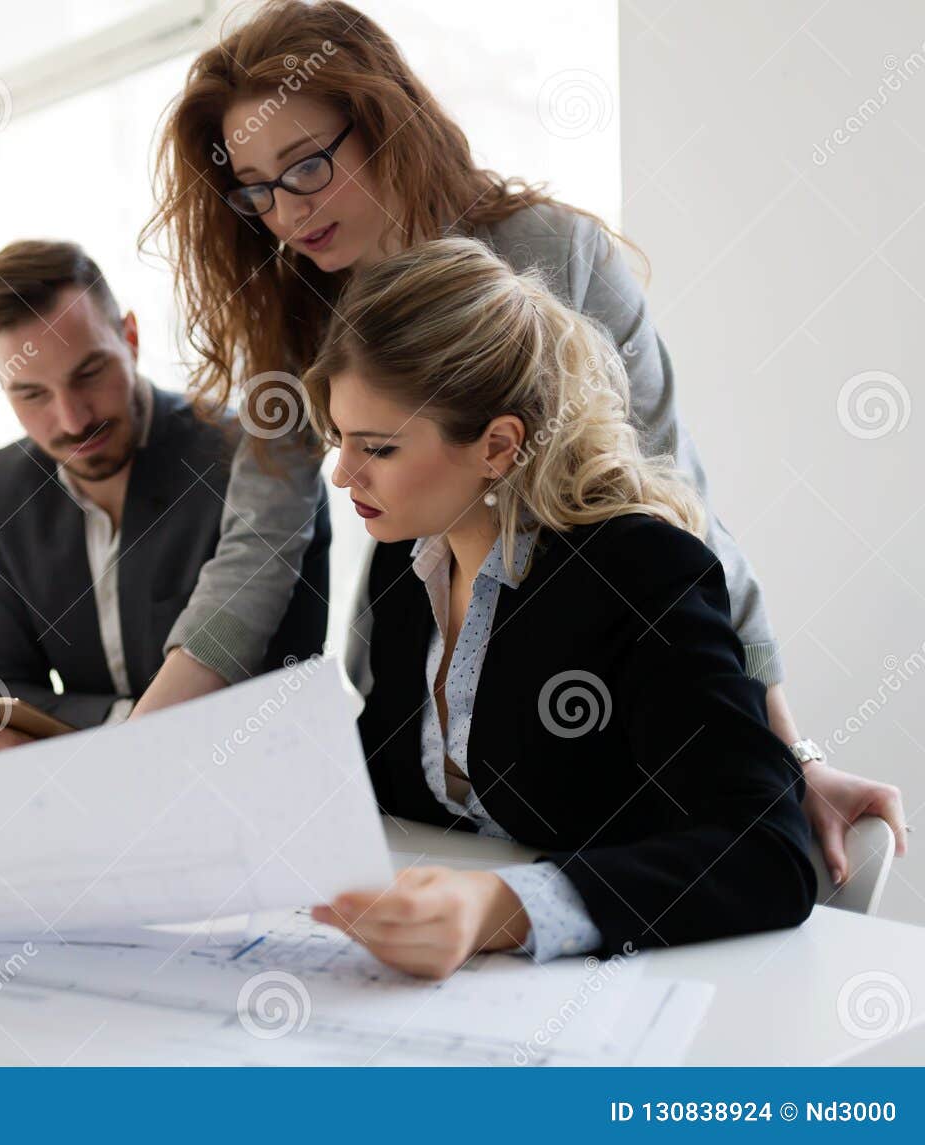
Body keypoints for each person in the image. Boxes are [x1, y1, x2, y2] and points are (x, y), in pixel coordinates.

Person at [134, 0, 904, 884]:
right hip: (428, 718)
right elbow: (257, 544)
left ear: (384, 123)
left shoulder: (552, 254)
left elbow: (673, 504)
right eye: (257, 189)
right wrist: (129, 761)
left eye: (307, 166)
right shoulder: (297, 300)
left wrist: (783, 748)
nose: (286, 213)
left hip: (588, 715)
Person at [305, 237, 815, 977]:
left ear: (497, 445)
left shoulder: (640, 571)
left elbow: (766, 849)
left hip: (646, 991)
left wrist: (501, 907)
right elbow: (390, 767)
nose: (343, 471)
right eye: (338, 438)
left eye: (377, 448)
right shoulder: (407, 553)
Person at [0, 240, 330, 766]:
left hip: (261, 780)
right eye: (31, 394)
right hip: (94, 799)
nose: (71, 420)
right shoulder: (6, 481)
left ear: (131, 338)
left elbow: (263, 694)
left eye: (89, 373)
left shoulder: (255, 461)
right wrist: (122, 724)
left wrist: (64, 732)